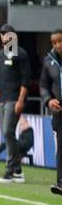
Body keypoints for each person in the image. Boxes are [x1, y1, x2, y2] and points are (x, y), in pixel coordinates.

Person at [0, 24, 30, 184]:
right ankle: (18, 170)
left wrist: (21, 100)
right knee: (8, 134)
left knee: (7, 131)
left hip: (14, 99)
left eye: (7, 34)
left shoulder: (20, 54)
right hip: (1, 100)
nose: (4, 37)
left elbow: (26, 80)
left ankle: (10, 169)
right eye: (2, 34)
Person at [42, 28, 62, 196]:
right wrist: (49, 100)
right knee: (60, 147)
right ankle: (60, 182)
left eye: (60, 41)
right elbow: (43, 85)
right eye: (54, 43)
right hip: (58, 111)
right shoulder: (48, 61)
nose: (57, 45)